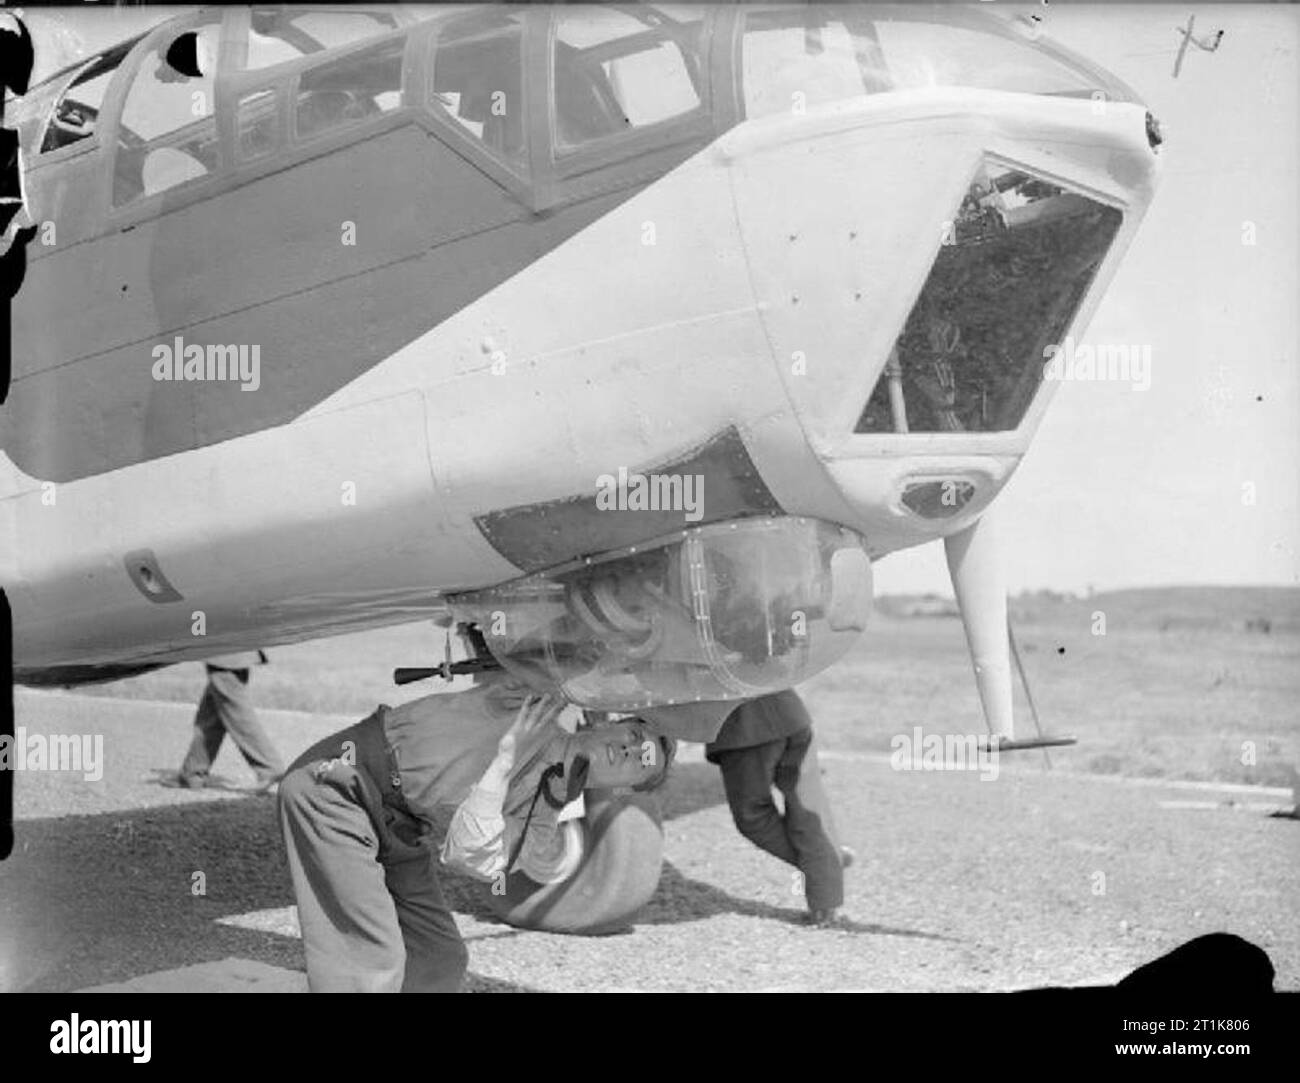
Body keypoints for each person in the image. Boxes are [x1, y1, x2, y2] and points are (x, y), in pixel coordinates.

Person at [277, 670, 675, 992]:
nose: (629, 750)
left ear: (623, 788)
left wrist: (502, 766)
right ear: (613, 725)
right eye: (635, 737)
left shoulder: (544, 813)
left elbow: (472, 857)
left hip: (399, 824)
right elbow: (546, 659)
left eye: (641, 762)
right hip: (338, 786)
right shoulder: (534, 702)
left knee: (439, 958)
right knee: (369, 959)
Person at [706, 689, 851, 926]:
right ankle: (825, 895)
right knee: (807, 808)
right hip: (792, 716)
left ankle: (826, 864)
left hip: (746, 729)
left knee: (752, 815)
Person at [178, 651, 284, 792]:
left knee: (237, 712)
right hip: (231, 652)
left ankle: (269, 767)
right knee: (212, 712)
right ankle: (192, 771)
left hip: (226, 653)